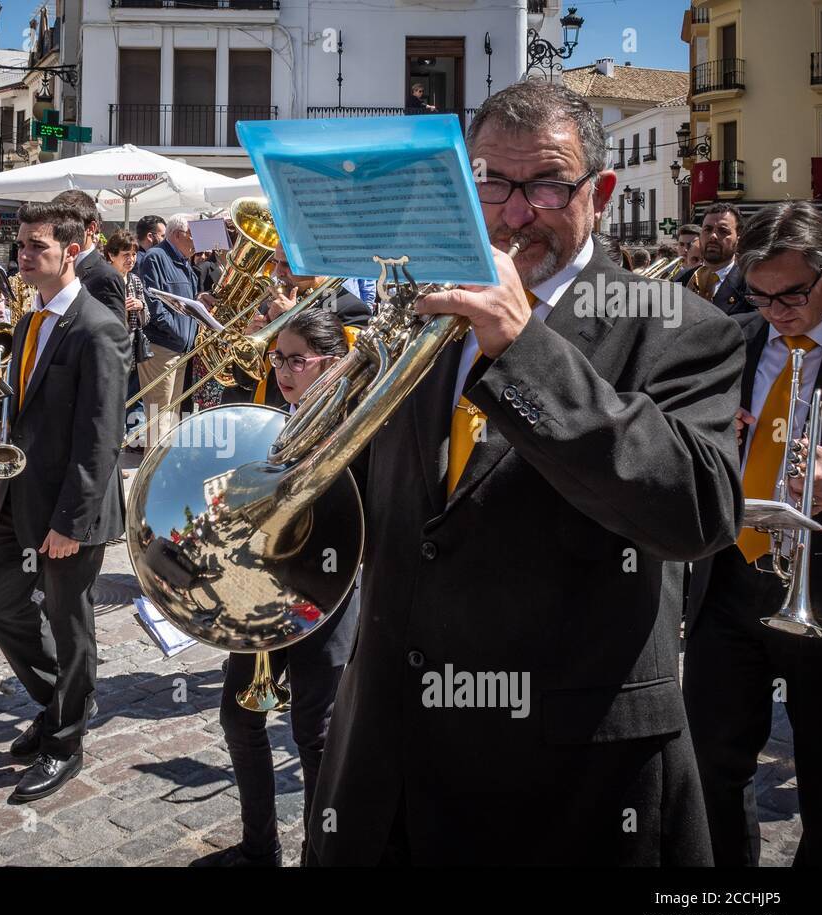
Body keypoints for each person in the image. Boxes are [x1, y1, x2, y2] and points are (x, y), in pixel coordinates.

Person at [308, 78, 745, 866]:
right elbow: (384, 503)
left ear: (600, 191)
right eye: (490, 182)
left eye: (546, 184)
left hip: (572, 777)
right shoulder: (421, 314)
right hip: (392, 758)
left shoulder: (680, 328)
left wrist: (524, 352)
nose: (513, 213)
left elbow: (698, 511)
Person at [684, 200, 822, 866]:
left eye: (794, 294)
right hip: (731, 583)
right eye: (762, 297)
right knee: (711, 764)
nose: (777, 312)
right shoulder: (734, 339)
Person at [0, 201, 131, 803]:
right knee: (0, 605)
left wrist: (73, 521)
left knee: (70, 624)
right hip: (18, 494)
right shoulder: (28, 322)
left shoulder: (98, 326)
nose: (24, 254)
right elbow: (36, 409)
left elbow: (102, 437)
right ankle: (58, 699)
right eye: (21, 245)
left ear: (72, 250)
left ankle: (65, 740)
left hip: (68, 509)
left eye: (37, 245)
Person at [194, 308, 360, 868]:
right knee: (239, 716)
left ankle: (319, 856)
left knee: (315, 735)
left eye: (296, 360)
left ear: (331, 366)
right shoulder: (273, 421)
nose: (283, 370)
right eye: (278, 357)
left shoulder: (356, 423)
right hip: (263, 592)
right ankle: (258, 848)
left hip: (327, 595)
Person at [224, 245, 371, 407]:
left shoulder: (348, 307)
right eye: (276, 262)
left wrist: (294, 319)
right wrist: (250, 344)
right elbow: (243, 380)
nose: (278, 271)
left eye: (287, 264)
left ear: (315, 264)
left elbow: (348, 381)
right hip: (265, 416)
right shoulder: (274, 301)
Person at [135, 214, 198, 447]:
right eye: (192, 236)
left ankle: (163, 468)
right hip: (163, 347)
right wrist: (178, 332)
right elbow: (153, 302)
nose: (196, 242)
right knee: (159, 416)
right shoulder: (155, 257)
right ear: (178, 234)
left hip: (179, 347)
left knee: (170, 415)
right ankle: (152, 475)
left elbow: (184, 302)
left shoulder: (182, 261)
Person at [106, 229, 150, 457]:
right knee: (113, 402)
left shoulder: (135, 280)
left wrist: (141, 307)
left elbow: (148, 316)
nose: (131, 259)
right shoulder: (104, 279)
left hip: (132, 348)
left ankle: (134, 443)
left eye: (133, 254)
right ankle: (114, 451)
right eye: (125, 254)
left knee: (134, 399)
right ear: (111, 255)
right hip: (111, 351)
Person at [55, 189, 127, 323]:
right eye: (57, 225)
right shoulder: (56, 266)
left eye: (69, 225)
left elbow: (114, 334)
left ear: (91, 229)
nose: (61, 231)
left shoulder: (106, 276)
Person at [680, 203, 750, 315]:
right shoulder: (681, 280)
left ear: (738, 239)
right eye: (707, 229)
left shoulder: (750, 284)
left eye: (723, 231)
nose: (713, 236)